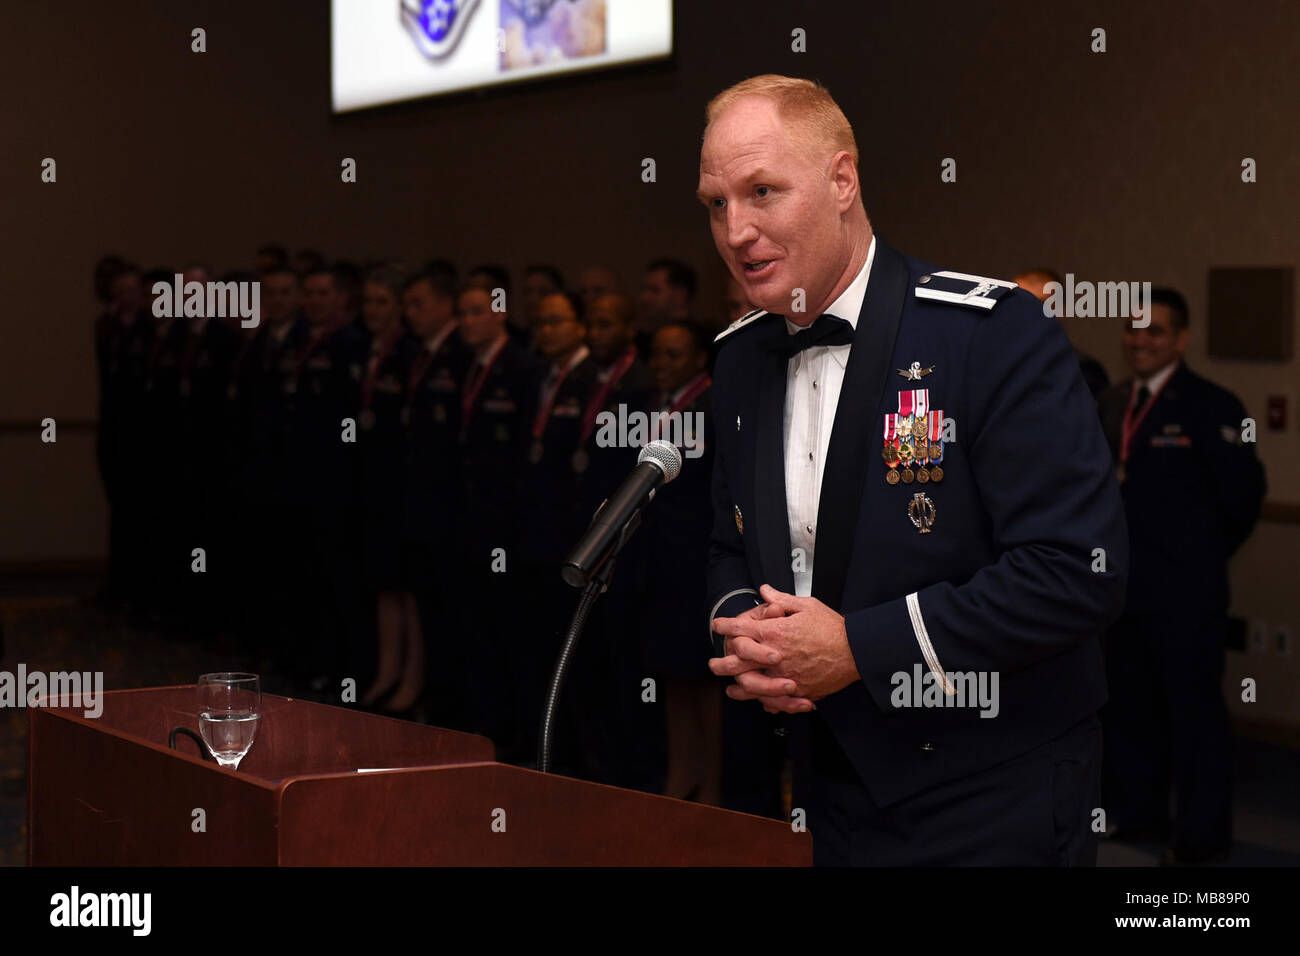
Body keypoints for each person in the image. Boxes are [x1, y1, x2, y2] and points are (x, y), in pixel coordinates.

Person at [701, 75, 1128, 865]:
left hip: (994, 784)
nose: (737, 229)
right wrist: (745, 630)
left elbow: (1075, 572)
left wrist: (861, 649)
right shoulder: (738, 360)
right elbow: (729, 542)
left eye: (763, 191)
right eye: (717, 204)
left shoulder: (991, 334)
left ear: (841, 180)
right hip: (825, 784)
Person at [1097, 287, 1265, 865]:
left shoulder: (1215, 405)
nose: (1140, 341)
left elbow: (1244, 498)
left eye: (1156, 332)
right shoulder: (1112, 403)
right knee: (1131, 712)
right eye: (1132, 330)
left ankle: (1200, 837)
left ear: (1182, 339)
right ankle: (1140, 815)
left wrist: (1199, 557)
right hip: (1122, 594)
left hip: (1187, 598)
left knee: (1194, 720)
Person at [455, 278, 543, 755]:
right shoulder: (469, 366)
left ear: (499, 312)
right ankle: (485, 729)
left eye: (474, 312)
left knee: (511, 638)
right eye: (461, 312)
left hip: (508, 529)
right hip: (473, 523)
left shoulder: (524, 369)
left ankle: (515, 740)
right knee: (478, 636)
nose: (466, 322)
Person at [400, 269, 472, 730]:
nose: (411, 313)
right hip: (423, 502)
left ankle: (452, 706)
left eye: (418, 302)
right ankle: (432, 696)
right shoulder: (421, 354)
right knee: (429, 604)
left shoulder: (460, 356)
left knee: (455, 616)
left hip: (455, 508)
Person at [355, 266, 423, 713]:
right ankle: (386, 670)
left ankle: (412, 678)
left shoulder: (410, 354)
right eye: (368, 301)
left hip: (405, 486)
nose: (372, 310)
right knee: (382, 584)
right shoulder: (368, 350)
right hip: (373, 484)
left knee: (407, 586)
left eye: (382, 301)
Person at [1015, 268, 1110, 400]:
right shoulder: (999, 367)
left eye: (1040, 305)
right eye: (1017, 305)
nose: (1027, 314)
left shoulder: (1083, 372)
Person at [636, 258, 696, 359]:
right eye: (645, 289)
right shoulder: (641, 339)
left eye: (655, 290)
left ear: (679, 294)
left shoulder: (704, 339)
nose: (645, 297)